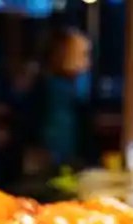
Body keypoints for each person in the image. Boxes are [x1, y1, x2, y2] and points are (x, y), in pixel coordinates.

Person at [35, 27, 92, 170]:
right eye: (83, 55)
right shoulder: (47, 85)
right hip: (49, 153)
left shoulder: (78, 84)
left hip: (71, 151)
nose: (88, 62)